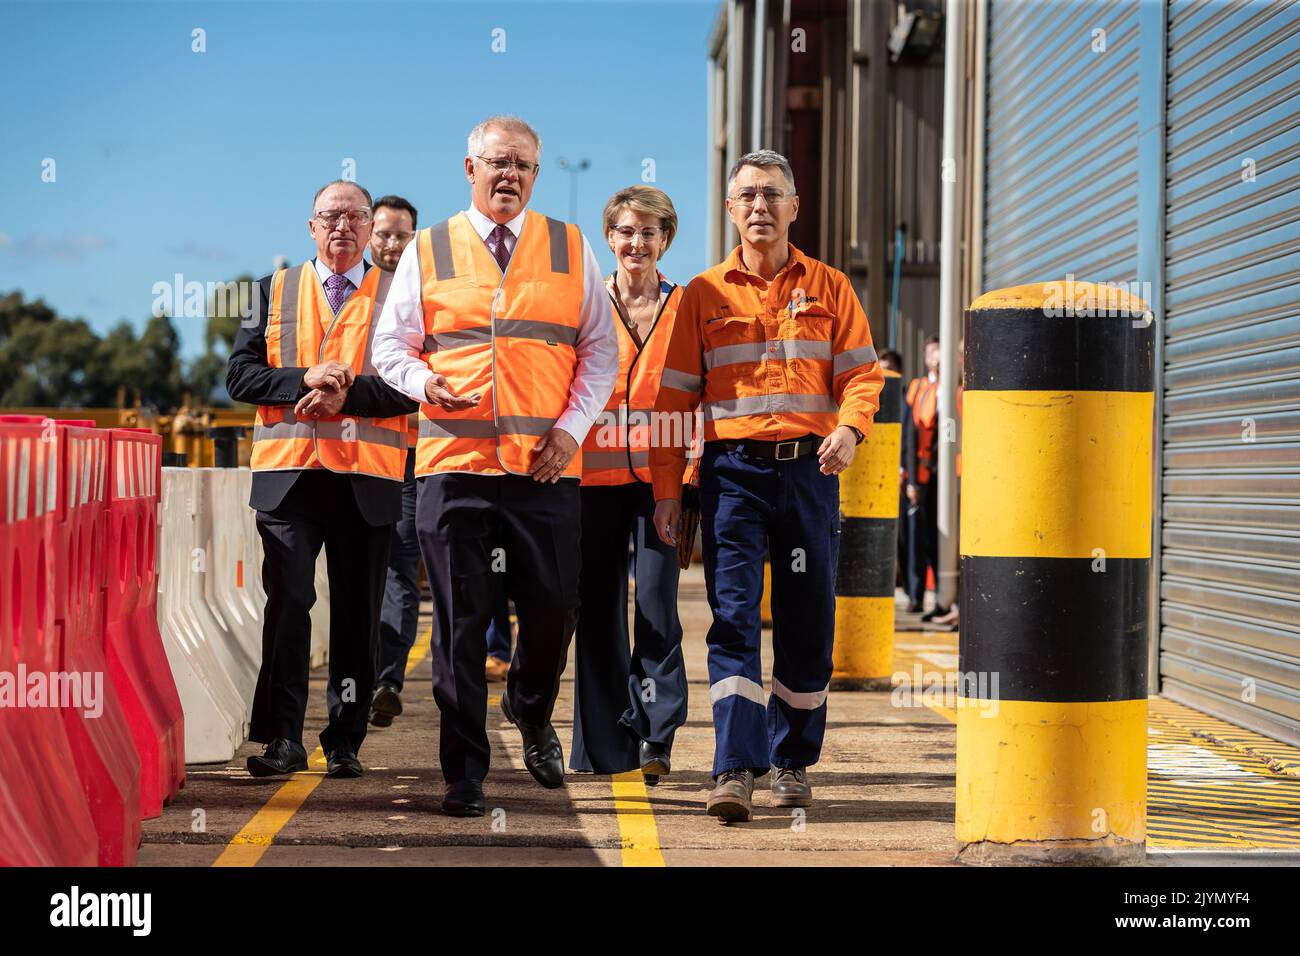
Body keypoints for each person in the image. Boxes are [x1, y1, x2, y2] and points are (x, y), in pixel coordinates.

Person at [372, 115, 617, 817]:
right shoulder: (430, 246)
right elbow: (391, 349)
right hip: (455, 466)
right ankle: (464, 772)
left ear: (537, 175)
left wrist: (571, 432)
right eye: (496, 162)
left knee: (553, 610)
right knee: (457, 627)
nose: (509, 174)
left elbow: (599, 350)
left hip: (543, 468)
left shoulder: (570, 248)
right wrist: (424, 384)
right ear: (469, 168)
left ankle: (530, 706)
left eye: (523, 165)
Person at [650, 149, 884, 822]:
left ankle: (791, 761)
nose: (759, 206)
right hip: (734, 479)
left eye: (772, 195)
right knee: (733, 618)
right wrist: (668, 491)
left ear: (793, 208)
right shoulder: (703, 295)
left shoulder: (832, 288)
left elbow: (862, 376)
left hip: (811, 473)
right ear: (730, 210)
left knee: (809, 621)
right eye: (747, 195)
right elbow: (671, 403)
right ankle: (733, 766)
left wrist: (851, 427)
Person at [226, 180, 417, 779]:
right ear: (310, 226)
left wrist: (346, 396)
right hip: (289, 480)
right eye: (330, 216)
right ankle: (282, 738)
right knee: (290, 604)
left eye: (355, 217)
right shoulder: (270, 291)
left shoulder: (401, 296)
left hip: (366, 479)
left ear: (370, 229)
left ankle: (345, 740)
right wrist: (305, 377)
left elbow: (412, 384)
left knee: (358, 617)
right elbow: (240, 377)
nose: (343, 227)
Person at [570, 186, 693, 785]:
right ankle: (600, 742)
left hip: (661, 480)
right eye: (625, 231)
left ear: (665, 240)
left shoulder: (686, 304)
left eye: (649, 232)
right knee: (595, 609)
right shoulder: (586, 304)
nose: (636, 242)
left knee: (655, 604)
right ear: (610, 238)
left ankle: (655, 734)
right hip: (591, 479)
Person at [364, 195, 425, 728]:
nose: (389, 243)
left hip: (407, 458)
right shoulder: (348, 296)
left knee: (401, 572)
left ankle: (387, 677)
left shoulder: (428, 294)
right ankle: (361, 677)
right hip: (355, 458)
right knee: (362, 573)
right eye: (381, 233)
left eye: (401, 235)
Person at [903, 336, 941, 617]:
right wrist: (910, 478)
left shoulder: (958, 388)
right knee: (916, 535)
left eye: (941, 353)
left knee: (942, 538)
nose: (937, 358)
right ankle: (915, 595)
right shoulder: (917, 389)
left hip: (948, 475)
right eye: (932, 353)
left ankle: (944, 595)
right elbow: (908, 435)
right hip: (920, 473)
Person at [878, 349, 907, 593]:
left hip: (902, 475)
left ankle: (908, 586)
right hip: (875, 481)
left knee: (905, 536)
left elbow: (911, 437)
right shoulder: (866, 397)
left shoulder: (905, 397)